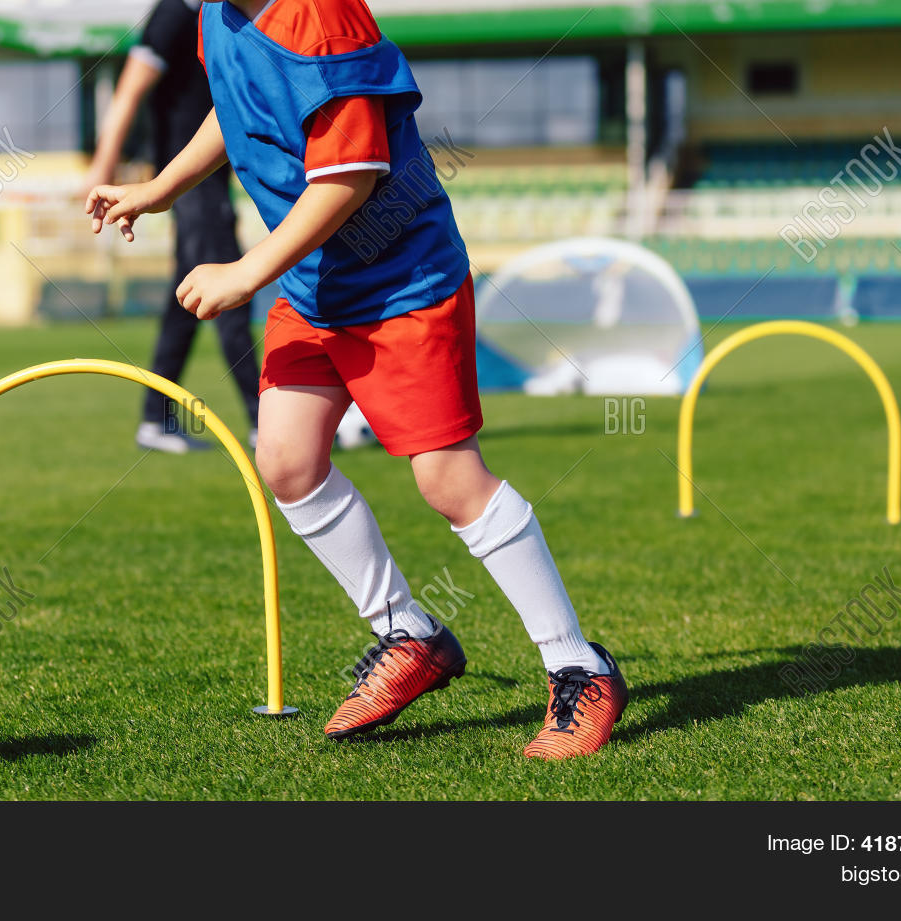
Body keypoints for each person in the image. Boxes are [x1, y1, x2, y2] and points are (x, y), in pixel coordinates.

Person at [86, 0, 627, 759]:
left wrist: (246, 271)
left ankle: (579, 666)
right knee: (287, 459)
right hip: (314, 286)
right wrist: (162, 187)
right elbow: (235, 104)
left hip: (402, 284)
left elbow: (354, 175)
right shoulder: (217, 14)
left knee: (448, 480)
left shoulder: (323, 19)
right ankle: (409, 635)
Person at [86, 0, 261, 454]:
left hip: (204, 179)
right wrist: (102, 168)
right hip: (189, 181)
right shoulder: (176, 12)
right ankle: (265, 421)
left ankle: (156, 418)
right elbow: (129, 90)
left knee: (185, 299)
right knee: (230, 293)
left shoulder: (216, 11)